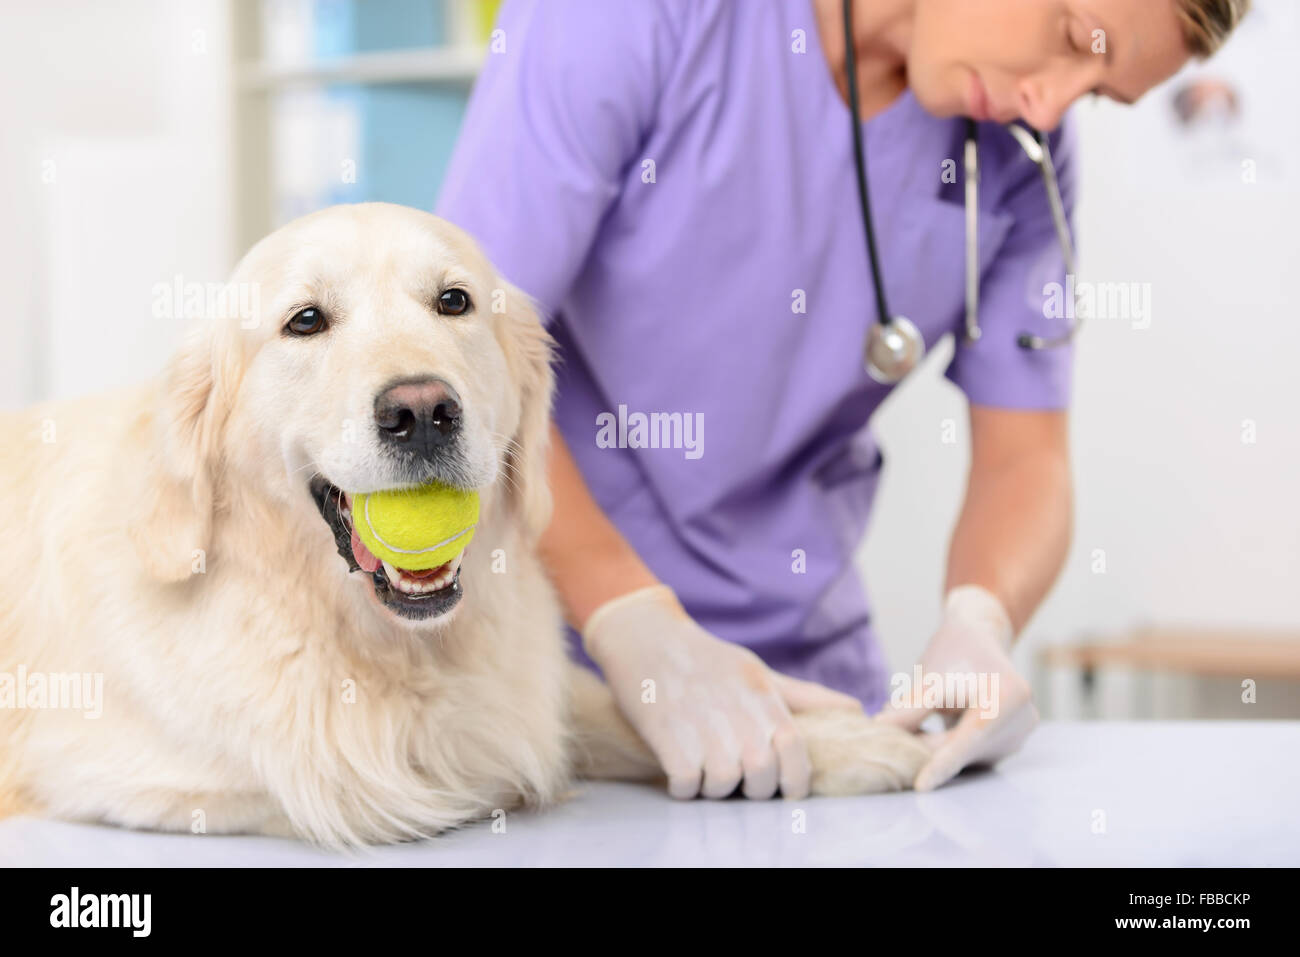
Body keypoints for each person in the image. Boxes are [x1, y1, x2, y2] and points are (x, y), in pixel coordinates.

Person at [436, 0, 1249, 800]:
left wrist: (982, 619)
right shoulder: (634, 17)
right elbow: (472, 361)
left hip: (808, 696)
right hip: (551, 671)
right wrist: (629, 620)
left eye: (1099, 93)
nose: (1050, 102)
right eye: (1074, 38)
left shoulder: (1022, 152)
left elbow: (1026, 456)